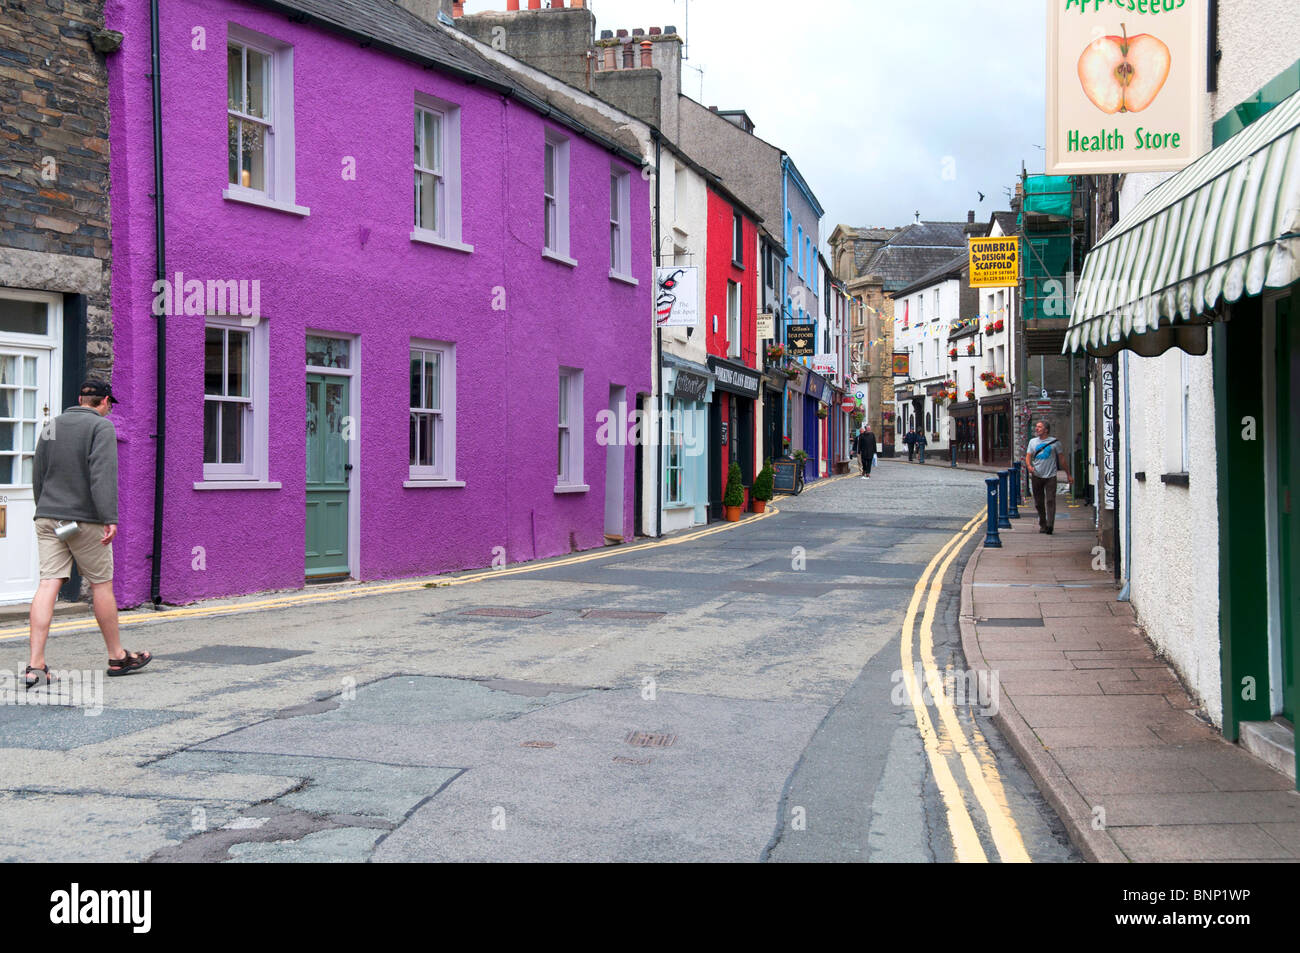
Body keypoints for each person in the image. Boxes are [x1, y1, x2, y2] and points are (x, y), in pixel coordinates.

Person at [26, 379, 151, 689]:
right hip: (86, 520)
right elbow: (102, 474)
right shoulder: (101, 428)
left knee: (48, 583)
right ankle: (117, 656)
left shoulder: (52, 424)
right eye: (110, 405)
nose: (109, 410)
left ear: (79, 398)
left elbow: (38, 472)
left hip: (48, 516)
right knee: (101, 585)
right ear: (105, 401)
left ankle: (35, 664)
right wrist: (109, 517)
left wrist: (45, 507)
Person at [1025, 419, 1072, 535]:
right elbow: (1028, 456)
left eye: (1039, 427)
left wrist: (1068, 474)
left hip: (1051, 476)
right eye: (1036, 426)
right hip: (1036, 475)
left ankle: (1050, 525)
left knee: (1051, 500)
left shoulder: (1055, 442)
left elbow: (1062, 459)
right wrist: (1029, 466)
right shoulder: (1032, 442)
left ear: (1046, 430)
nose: (1037, 429)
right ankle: (1043, 524)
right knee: (1038, 503)